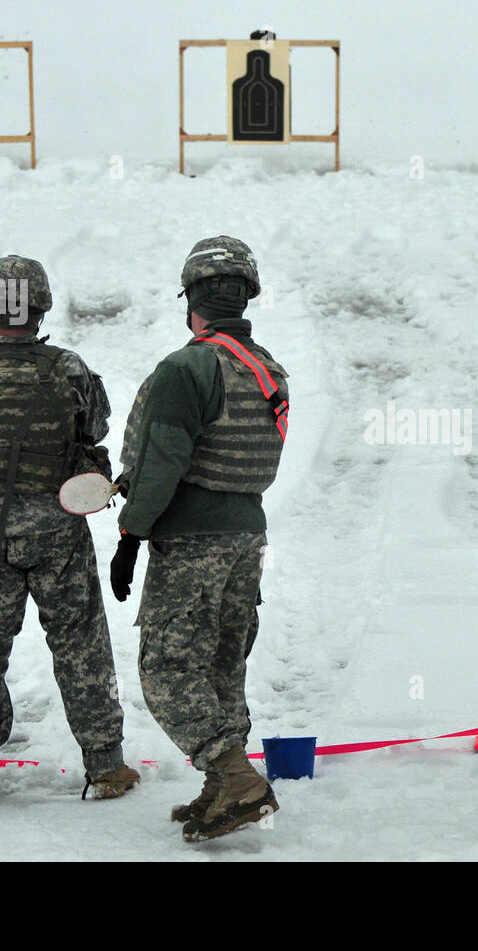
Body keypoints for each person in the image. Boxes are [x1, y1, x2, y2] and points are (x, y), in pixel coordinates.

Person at [0, 255, 138, 804]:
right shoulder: (69, 369)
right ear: (40, 306)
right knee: (81, 646)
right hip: (56, 533)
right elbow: (97, 426)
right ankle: (106, 768)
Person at [112, 236, 288, 841]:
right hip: (246, 534)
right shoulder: (267, 369)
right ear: (246, 298)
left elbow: (161, 459)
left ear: (192, 300)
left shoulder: (187, 368)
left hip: (191, 540)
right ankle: (222, 788)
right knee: (220, 663)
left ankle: (236, 778)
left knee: (165, 669)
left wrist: (133, 530)